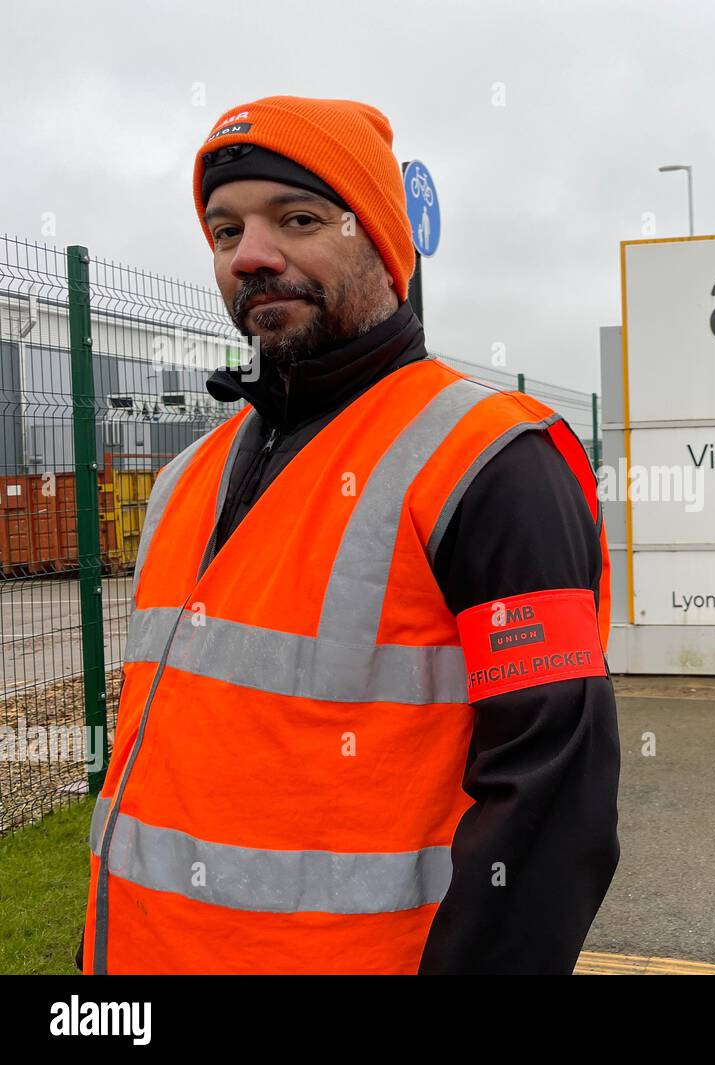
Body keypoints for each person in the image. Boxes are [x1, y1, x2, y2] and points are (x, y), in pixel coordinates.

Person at [77, 95, 620, 974]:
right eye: (224, 232)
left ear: (381, 240)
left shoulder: (493, 464)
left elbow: (554, 802)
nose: (251, 255)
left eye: (295, 218)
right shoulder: (187, 480)